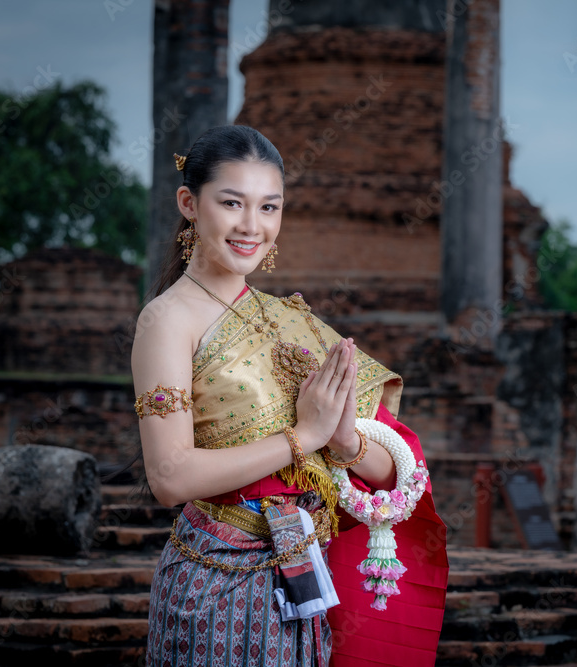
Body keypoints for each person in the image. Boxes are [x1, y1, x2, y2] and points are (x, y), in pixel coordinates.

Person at [131, 124, 448, 666]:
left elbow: (394, 469)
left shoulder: (292, 320)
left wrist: (345, 440)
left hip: (306, 579)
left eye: (269, 208)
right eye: (232, 203)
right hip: (216, 579)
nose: (252, 227)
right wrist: (303, 437)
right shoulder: (167, 320)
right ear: (189, 203)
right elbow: (169, 477)